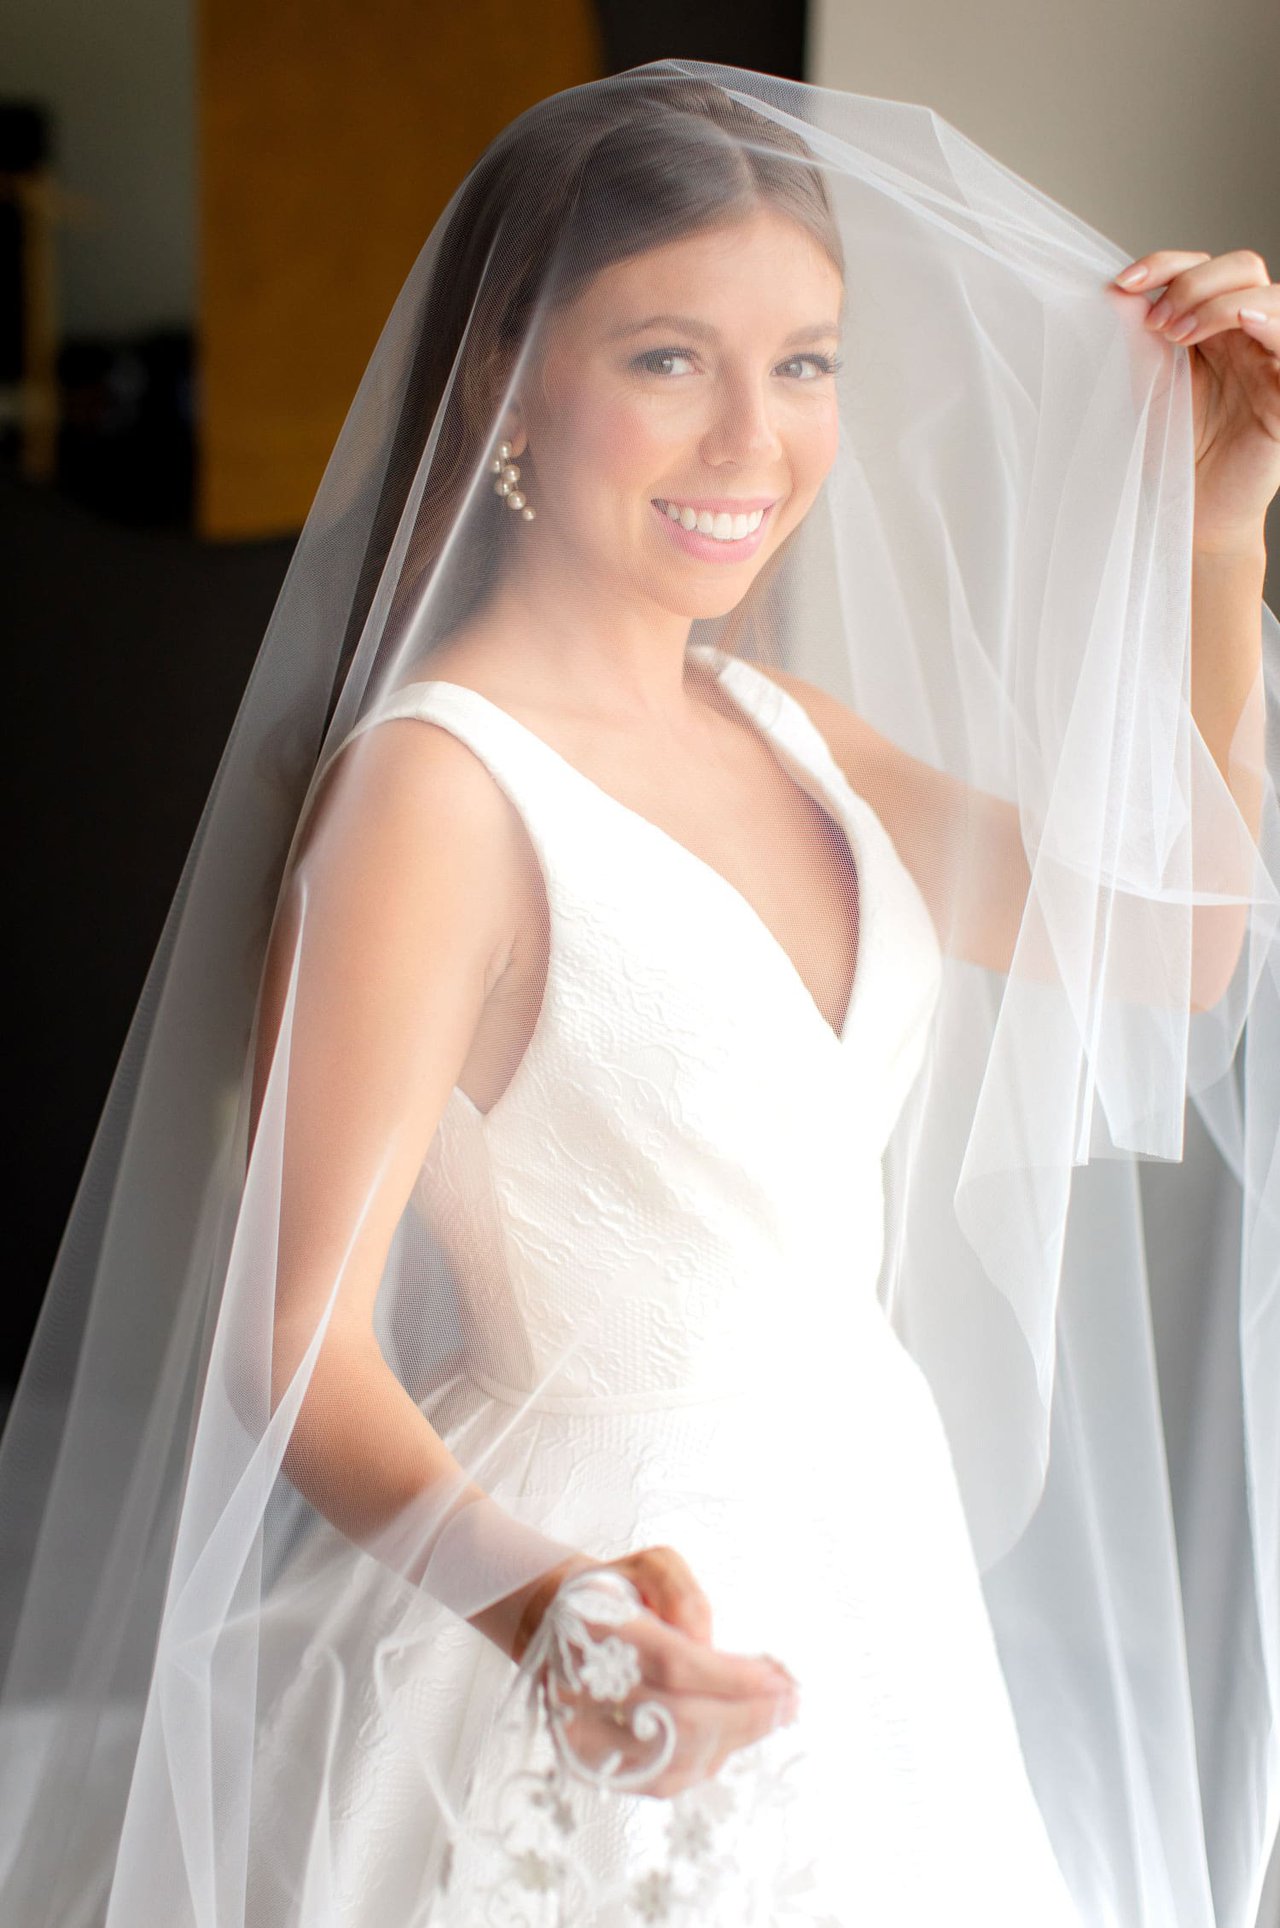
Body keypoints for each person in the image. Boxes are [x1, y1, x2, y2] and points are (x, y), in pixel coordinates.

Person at [1, 58, 1278, 1928]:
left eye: (809, 362)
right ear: (511, 375)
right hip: (594, 1593)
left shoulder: (779, 727)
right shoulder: (437, 792)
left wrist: (1220, 536)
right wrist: (559, 1618)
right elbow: (307, 1352)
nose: (753, 441)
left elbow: (1179, 939)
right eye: (671, 357)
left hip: (868, 1570)